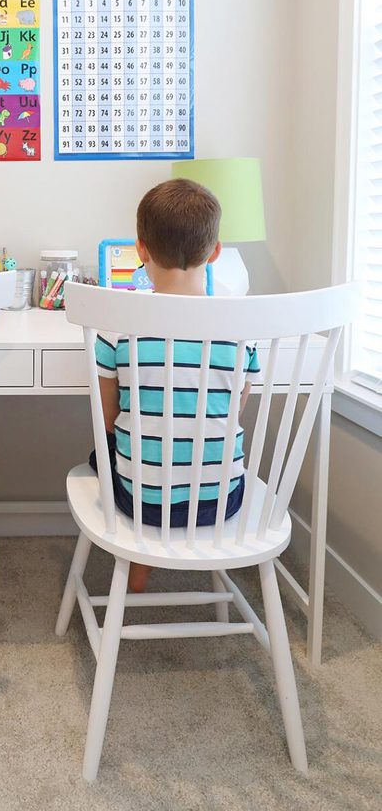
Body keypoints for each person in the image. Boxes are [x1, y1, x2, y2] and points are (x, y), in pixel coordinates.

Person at [92, 179, 261, 592]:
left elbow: (107, 419)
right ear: (215, 251)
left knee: (102, 451)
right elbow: (235, 409)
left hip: (143, 504)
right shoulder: (244, 330)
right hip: (223, 503)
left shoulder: (116, 324)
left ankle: (139, 560)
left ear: (141, 249)